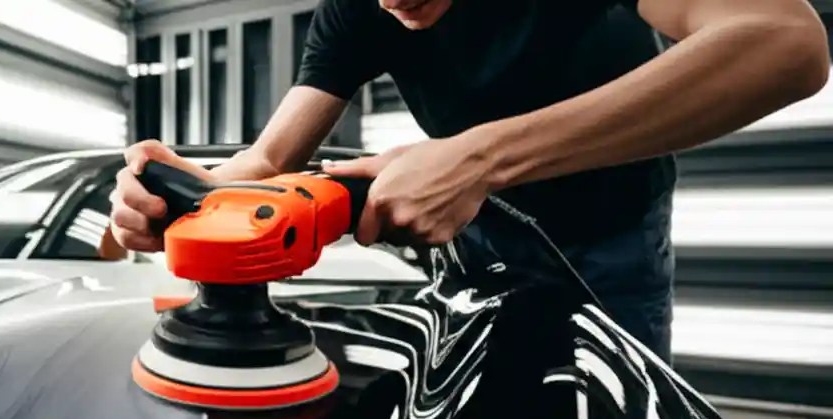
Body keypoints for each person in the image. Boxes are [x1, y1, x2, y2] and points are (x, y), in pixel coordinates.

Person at [103, 0, 829, 361]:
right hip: (476, 255)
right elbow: (265, 163)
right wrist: (179, 191)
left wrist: (481, 158)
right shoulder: (356, 9)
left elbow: (786, 43)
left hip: (613, 245)